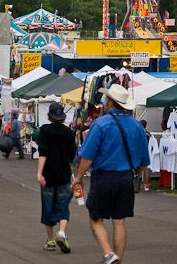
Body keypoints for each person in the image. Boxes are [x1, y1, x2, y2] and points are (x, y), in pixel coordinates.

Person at [71, 84, 149, 264]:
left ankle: (109, 254)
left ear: (111, 102)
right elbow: (144, 160)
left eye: (106, 99)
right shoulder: (136, 126)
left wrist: (79, 178)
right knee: (119, 221)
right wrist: (135, 173)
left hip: (104, 177)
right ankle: (118, 260)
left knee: (95, 217)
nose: (104, 102)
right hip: (126, 178)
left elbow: (87, 157)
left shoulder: (101, 124)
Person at [36, 103, 76, 254]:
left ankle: (51, 240)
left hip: (48, 175)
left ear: (49, 116)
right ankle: (62, 232)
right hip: (64, 174)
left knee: (48, 206)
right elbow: (72, 155)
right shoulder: (69, 133)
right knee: (63, 205)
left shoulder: (44, 131)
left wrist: (39, 173)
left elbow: (43, 153)